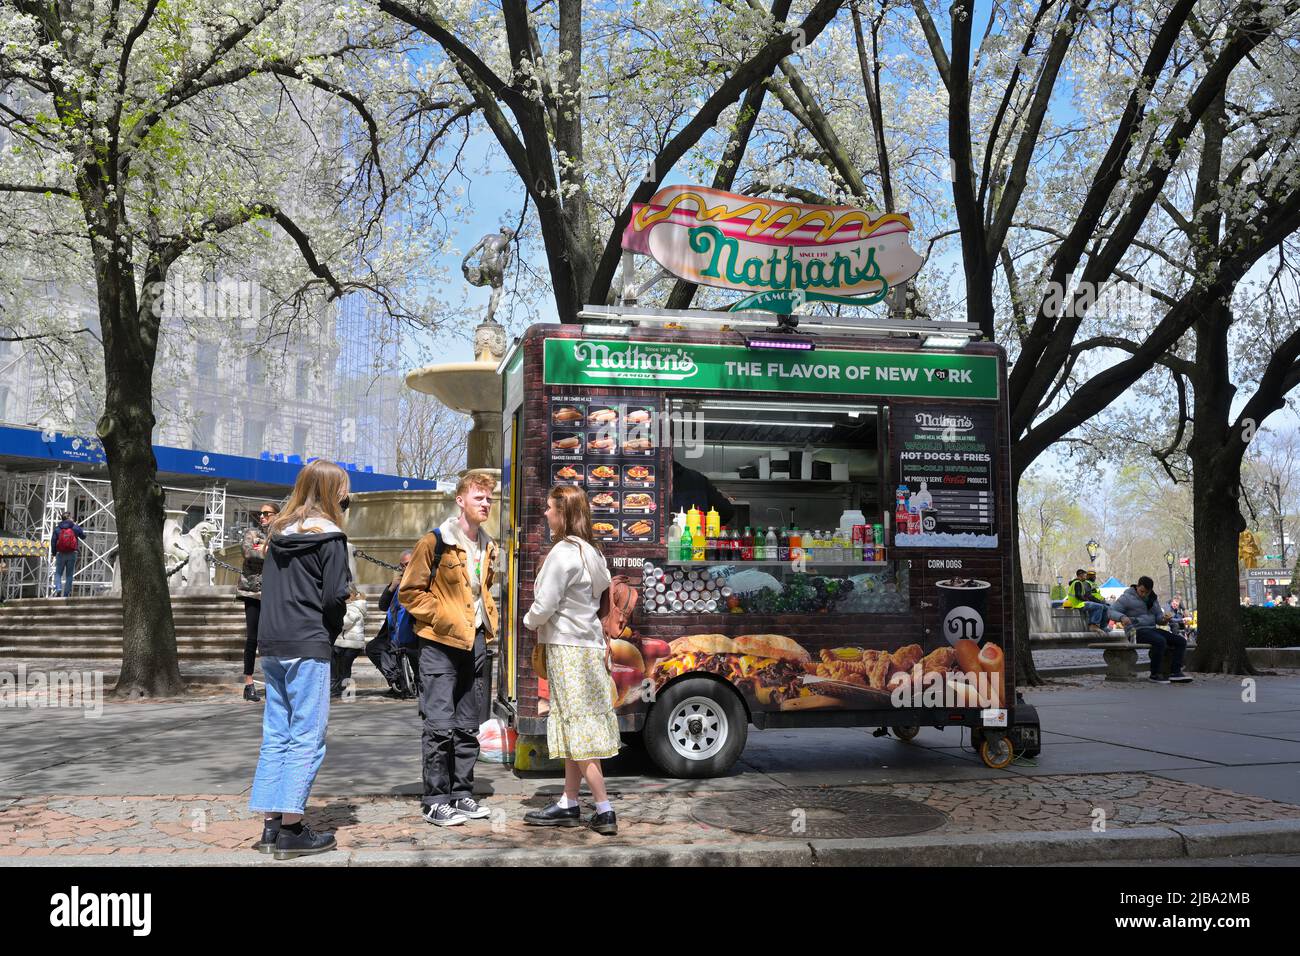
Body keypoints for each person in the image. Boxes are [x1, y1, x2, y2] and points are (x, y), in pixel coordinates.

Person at [249, 459, 352, 859]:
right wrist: (332, 629)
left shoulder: (279, 534)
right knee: (308, 736)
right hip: (308, 642)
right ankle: (293, 829)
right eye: (343, 489)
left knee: (277, 735)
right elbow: (333, 597)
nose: (347, 496)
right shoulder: (330, 538)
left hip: (273, 643)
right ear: (330, 492)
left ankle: (272, 825)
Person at [400, 471, 498, 827]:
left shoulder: (488, 546)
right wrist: (442, 617)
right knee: (439, 725)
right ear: (460, 500)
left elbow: (480, 591)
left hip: (475, 643)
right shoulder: (436, 541)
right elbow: (410, 593)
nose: (485, 504)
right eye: (478, 498)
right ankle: (435, 799)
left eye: (488, 498)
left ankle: (462, 794)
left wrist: (488, 619)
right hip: (439, 644)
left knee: (467, 724)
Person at [522, 485, 620, 835]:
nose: (545, 513)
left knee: (575, 728)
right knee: (576, 721)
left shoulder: (563, 553)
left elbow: (545, 604)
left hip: (566, 647)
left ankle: (604, 809)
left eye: (549, 508)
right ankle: (569, 802)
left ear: (563, 513)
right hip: (591, 646)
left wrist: (528, 621)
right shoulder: (593, 553)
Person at [236, 502, 280, 702]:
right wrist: (267, 549)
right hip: (252, 592)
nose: (262, 517)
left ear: (276, 515)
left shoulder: (281, 536)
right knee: (252, 637)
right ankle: (249, 683)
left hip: (274, 594)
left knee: (272, 639)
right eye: (260, 513)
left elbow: (283, 555)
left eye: (266, 514)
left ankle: (273, 683)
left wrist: (267, 548)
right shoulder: (252, 533)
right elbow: (248, 552)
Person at [1110, 575, 1191, 685]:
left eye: (1146, 592)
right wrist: (1122, 617)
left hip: (1152, 629)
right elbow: (1110, 611)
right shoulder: (1126, 598)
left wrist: (1164, 619)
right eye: (1141, 591)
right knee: (1160, 641)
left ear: (1150, 591)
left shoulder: (1152, 599)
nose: (1143, 594)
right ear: (1137, 587)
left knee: (1181, 641)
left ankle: (1175, 672)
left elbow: (1158, 618)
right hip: (1135, 631)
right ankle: (1155, 674)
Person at [368, 550, 416, 698]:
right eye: (402, 565)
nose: (405, 568)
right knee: (373, 648)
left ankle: (420, 684)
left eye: (407, 564)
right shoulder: (397, 582)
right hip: (393, 632)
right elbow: (382, 606)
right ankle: (397, 681)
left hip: (414, 630)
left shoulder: (422, 578)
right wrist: (391, 587)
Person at [671, 459, 735, 525]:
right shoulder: (697, 478)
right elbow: (726, 511)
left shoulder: (696, 479)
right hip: (697, 533)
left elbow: (726, 510)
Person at [331, 589, 368, 698]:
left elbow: (345, 623)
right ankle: (338, 686)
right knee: (341, 663)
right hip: (347, 642)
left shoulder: (355, 607)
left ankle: (341, 687)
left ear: (351, 595)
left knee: (345, 665)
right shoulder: (354, 606)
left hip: (352, 644)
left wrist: (335, 618)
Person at [1063, 568, 1111, 637]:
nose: (1086, 577)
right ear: (1080, 576)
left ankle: (1100, 626)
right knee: (1099, 606)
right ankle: (1093, 625)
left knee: (1101, 606)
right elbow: (1078, 595)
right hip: (1078, 604)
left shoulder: (1077, 582)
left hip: (1078, 603)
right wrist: (1086, 600)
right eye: (1084, 576)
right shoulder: (1077, 583)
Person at [50, 511, 85, 597]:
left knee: (58, 573)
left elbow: (53, 541)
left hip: (60, 553)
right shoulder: (74, 527)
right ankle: (66, 594)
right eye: (71, 517)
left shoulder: (58, 528)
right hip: (72, 553)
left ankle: (58, 588)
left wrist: (54, 553)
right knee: (69, 575)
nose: (72, 518)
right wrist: (77, 526)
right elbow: (83, 536)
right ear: (69, 518)